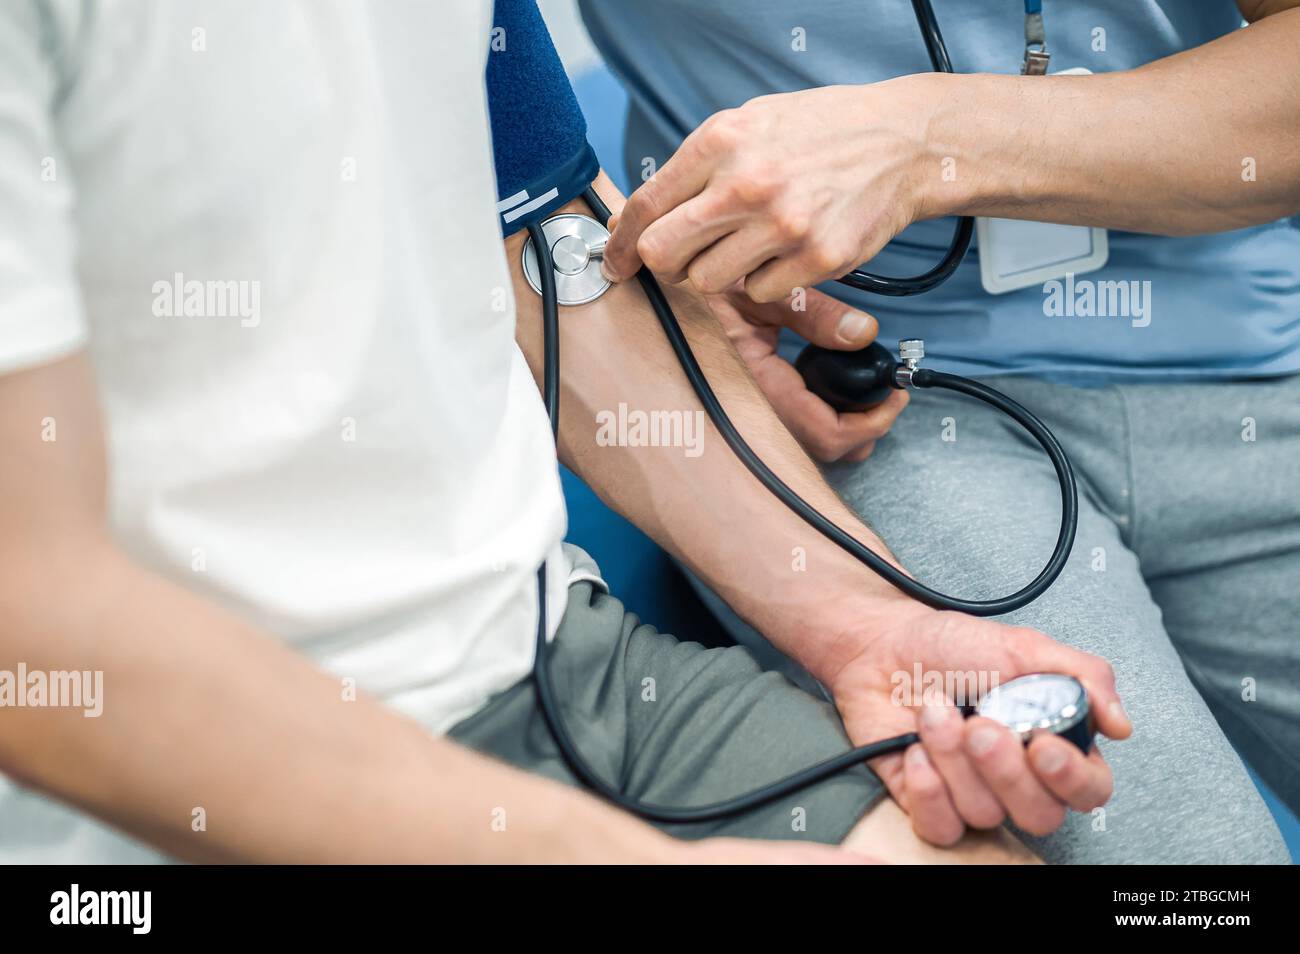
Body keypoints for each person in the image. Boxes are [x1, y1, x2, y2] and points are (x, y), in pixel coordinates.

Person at [0, 0, 1128, 864]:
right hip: (157, 794)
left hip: (547, 662)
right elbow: (32, 638)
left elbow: (545, 246)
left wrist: (858, 622)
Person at [583, 0, 1300, 862]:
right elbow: (484, 155)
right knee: (1189, 862)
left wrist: (930, 139)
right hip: (856, 394)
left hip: (1247, 354)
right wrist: (668, 288)